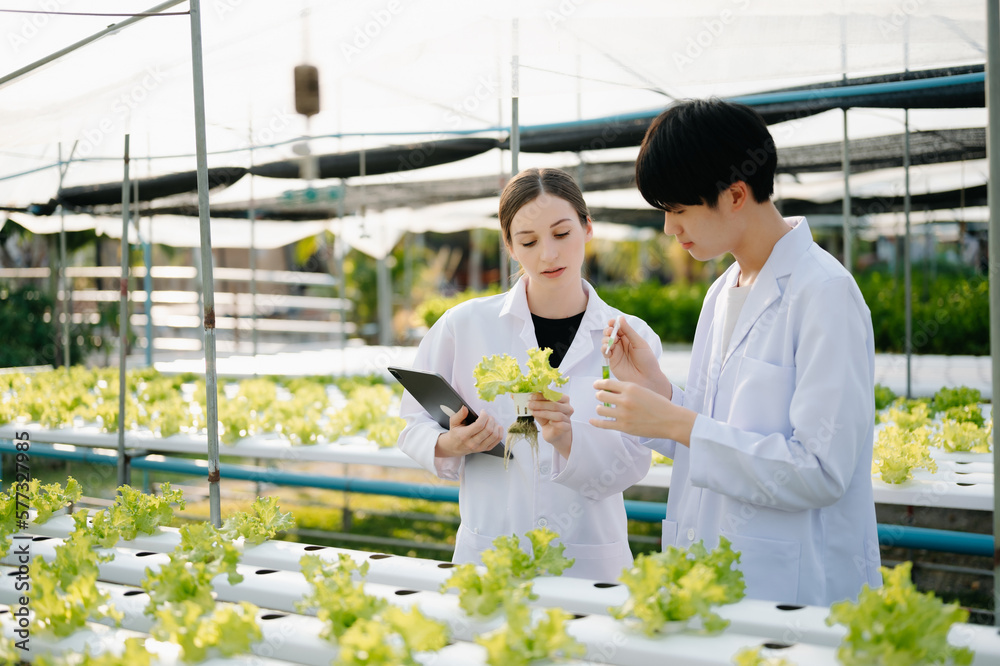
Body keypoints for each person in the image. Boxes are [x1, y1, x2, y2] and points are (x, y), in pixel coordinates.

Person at [591, 98, 881, 606]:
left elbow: (820, 470)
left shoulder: (824, 293)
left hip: (797, 586)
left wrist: (678, 422)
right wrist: (656, 391)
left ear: (735, 194)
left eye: (678, 210)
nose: (669, 229)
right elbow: (719, 430)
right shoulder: (722, 290)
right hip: (718, 571)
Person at [397, 167, 662, 581]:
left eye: (562, 234)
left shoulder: (629, 337)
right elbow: (413, 423)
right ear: (509, 246)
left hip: (588, 559)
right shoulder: (463, 326)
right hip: (491, 555)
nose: (548, 255)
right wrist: (450, 443)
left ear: (587, 228)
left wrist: (569, 439)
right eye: (528, 241)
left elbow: (634, 459)